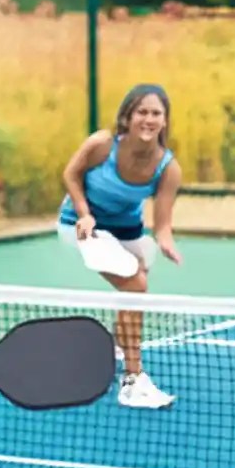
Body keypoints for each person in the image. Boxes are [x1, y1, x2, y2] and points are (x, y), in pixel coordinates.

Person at [56, 83, 183, 409]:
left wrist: (165, 240)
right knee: (135, 285)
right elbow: (70, 174)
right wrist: (84, 214)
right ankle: (132, 380)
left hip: (127, 230)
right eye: (142, 112)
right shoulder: (102, 144)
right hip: (81, 226)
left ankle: (115, 347)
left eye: (156, 113)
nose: (149, 119)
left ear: (165, 121)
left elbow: (163, 222)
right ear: (127, 117)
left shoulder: (168, 168)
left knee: (137, 279)